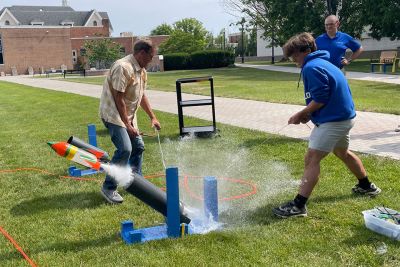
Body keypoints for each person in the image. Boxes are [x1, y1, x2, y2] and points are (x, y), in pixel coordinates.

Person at [272, 32, 381, 218]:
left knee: (312, 158)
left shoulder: (311, 67)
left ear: (306, 51)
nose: (293, 60)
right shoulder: (324, 63)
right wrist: (309, 113)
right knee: (342, 152)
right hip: (344, 117)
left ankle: (298, 206)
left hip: (335, 120)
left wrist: (302, 113)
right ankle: (366, 186)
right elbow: (326, 96)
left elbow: (321, 98)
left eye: (295, 55)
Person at [99, 39, 161, 204]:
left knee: (138, 147)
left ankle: (135, 182)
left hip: (128, 116)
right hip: (113, 115)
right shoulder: (123, 67)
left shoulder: (141, 70)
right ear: (141, 53)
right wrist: (127, 125)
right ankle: (108, 188)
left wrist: (152, 117)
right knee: (125, 149)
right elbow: (118, 98)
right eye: (150, 56)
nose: (151, 60)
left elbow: (142, 96)